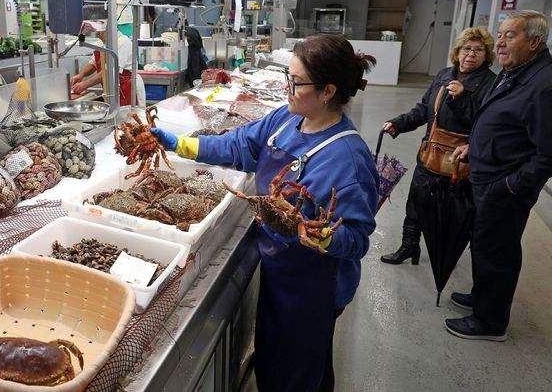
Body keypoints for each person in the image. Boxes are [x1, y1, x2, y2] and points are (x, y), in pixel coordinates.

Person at [152, 35, 379, 391]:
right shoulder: (287, 120)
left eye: (295, 81)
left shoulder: (348, 159)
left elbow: (357, 239)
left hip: (314, 287)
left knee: (301, 372)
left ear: (328, 90)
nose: (286, 87)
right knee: (274, 359)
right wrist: (179, 144)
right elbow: (238, 145)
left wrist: (312, 231)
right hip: (278, 271)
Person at [446, 10, 552, 341]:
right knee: (484, 244)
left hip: (503, 186)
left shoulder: (544, 85)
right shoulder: (515, 71)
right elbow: (500, 124)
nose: (501, 42)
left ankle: (490, 322)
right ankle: (483, 299)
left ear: (534, 42)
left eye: (510, 35)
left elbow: (546, 156)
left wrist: (508, 186)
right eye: (501, 34)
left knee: (498, 252)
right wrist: (473, 149)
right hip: (488, 174)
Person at [379, 27, 496, 265]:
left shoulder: (490, 84)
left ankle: (445, 254)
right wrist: (399, 124)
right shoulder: (444, 75)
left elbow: (484, 123)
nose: (471, 54)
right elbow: (424, 109)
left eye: (478, 50)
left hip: (459, 160)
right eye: (466, 48)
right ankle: (409, 246)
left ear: (487, 55)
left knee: (452, 211)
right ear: (457, 51)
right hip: (431, 152)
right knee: (416, 201)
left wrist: (463, 97)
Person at [70, 21, 140, 106]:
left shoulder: (123, 42)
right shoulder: (101, 43)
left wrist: (85, 84)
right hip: (110, 91)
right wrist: (81, 75)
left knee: (127, 117)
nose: (95, 32)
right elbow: (94, 63)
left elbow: (109, 71)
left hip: (126, 90)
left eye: (97, 30)